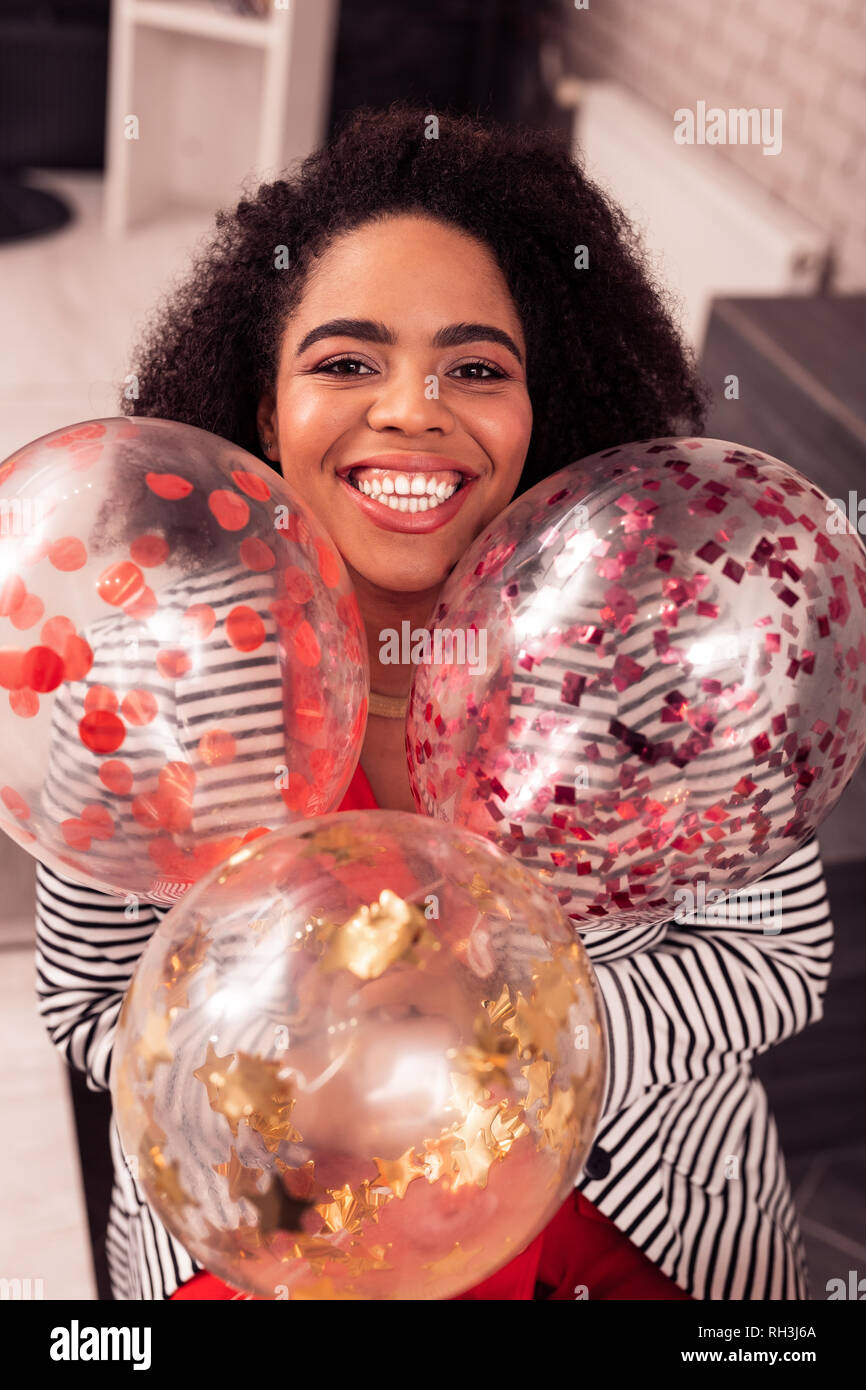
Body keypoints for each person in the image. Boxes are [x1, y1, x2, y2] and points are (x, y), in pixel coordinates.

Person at [35, 104, 833, 1301]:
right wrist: (299, 1067)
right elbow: (89, 997)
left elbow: (777, 959)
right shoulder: (143, 682)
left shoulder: (659, 650)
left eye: (475, 367)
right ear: (264, 413)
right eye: (346, 361)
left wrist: (494, 1040)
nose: (412, 408)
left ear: (535, 415)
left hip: (629, 1229)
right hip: (274, 1237)